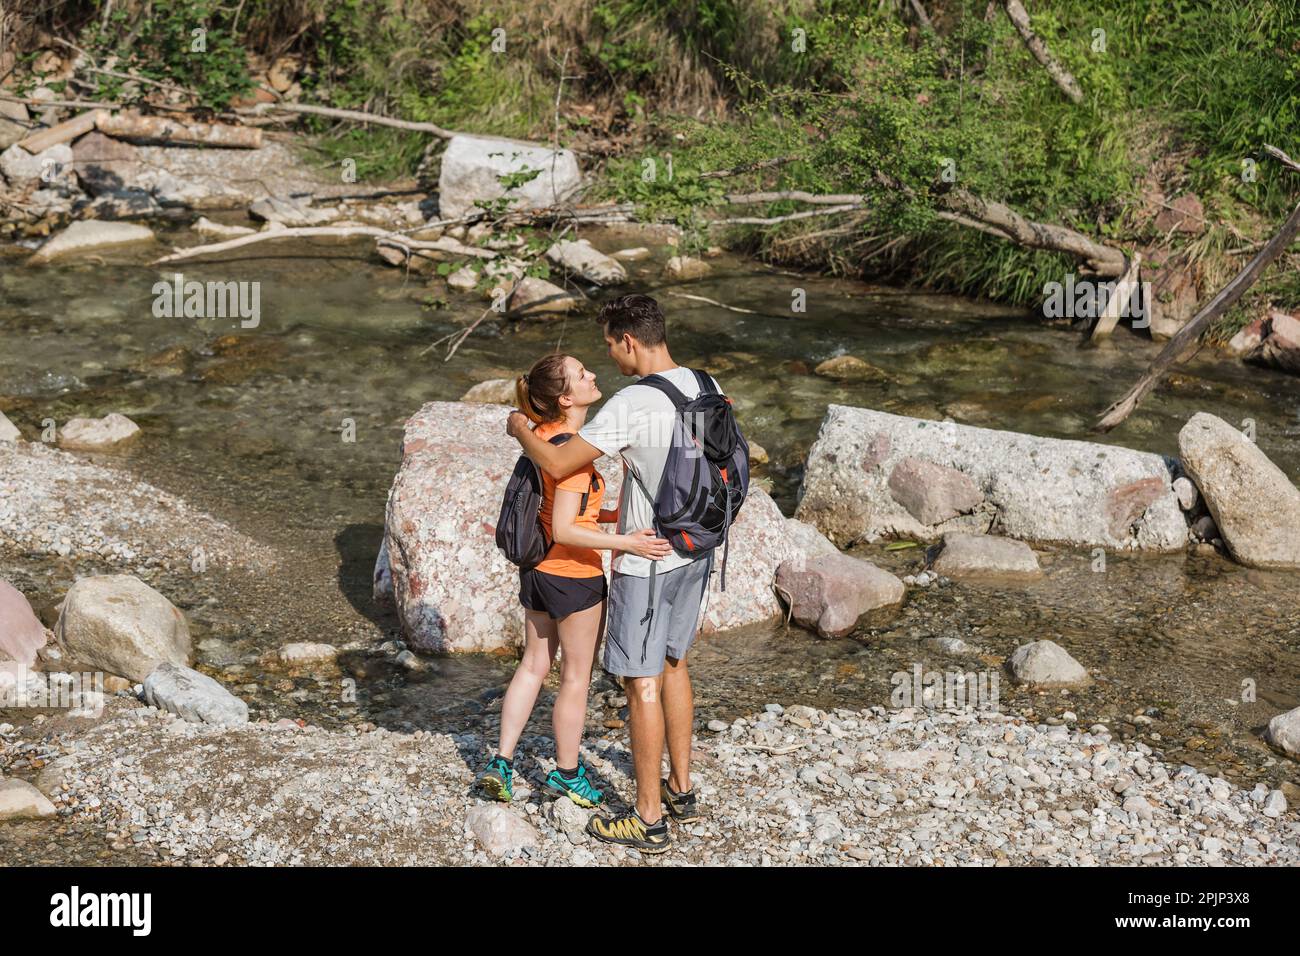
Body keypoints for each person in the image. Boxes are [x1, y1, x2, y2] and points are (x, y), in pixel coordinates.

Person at [506, 294, 720, 854]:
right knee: (676, 663)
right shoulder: (705, 383)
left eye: (608, 344)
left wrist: (518, 426)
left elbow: (556, 463)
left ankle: (647, 819)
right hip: (696, 548)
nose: (607, 356)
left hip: (645, 559)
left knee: (640, 680)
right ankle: (681, 787)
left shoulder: (632, 402)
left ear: (629, 340)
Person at [479, 352, 672, 809]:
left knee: (531, 666)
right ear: (566, 398)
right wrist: (628, 543)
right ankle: (567, 773)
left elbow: (565, 509)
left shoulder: (543, 438)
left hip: (538, 571)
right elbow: (566, 528)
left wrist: (612, 514)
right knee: (575, 679)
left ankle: (501, 763)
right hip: (574, 576)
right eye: (582, 375)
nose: (593, 376)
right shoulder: (572, 457)